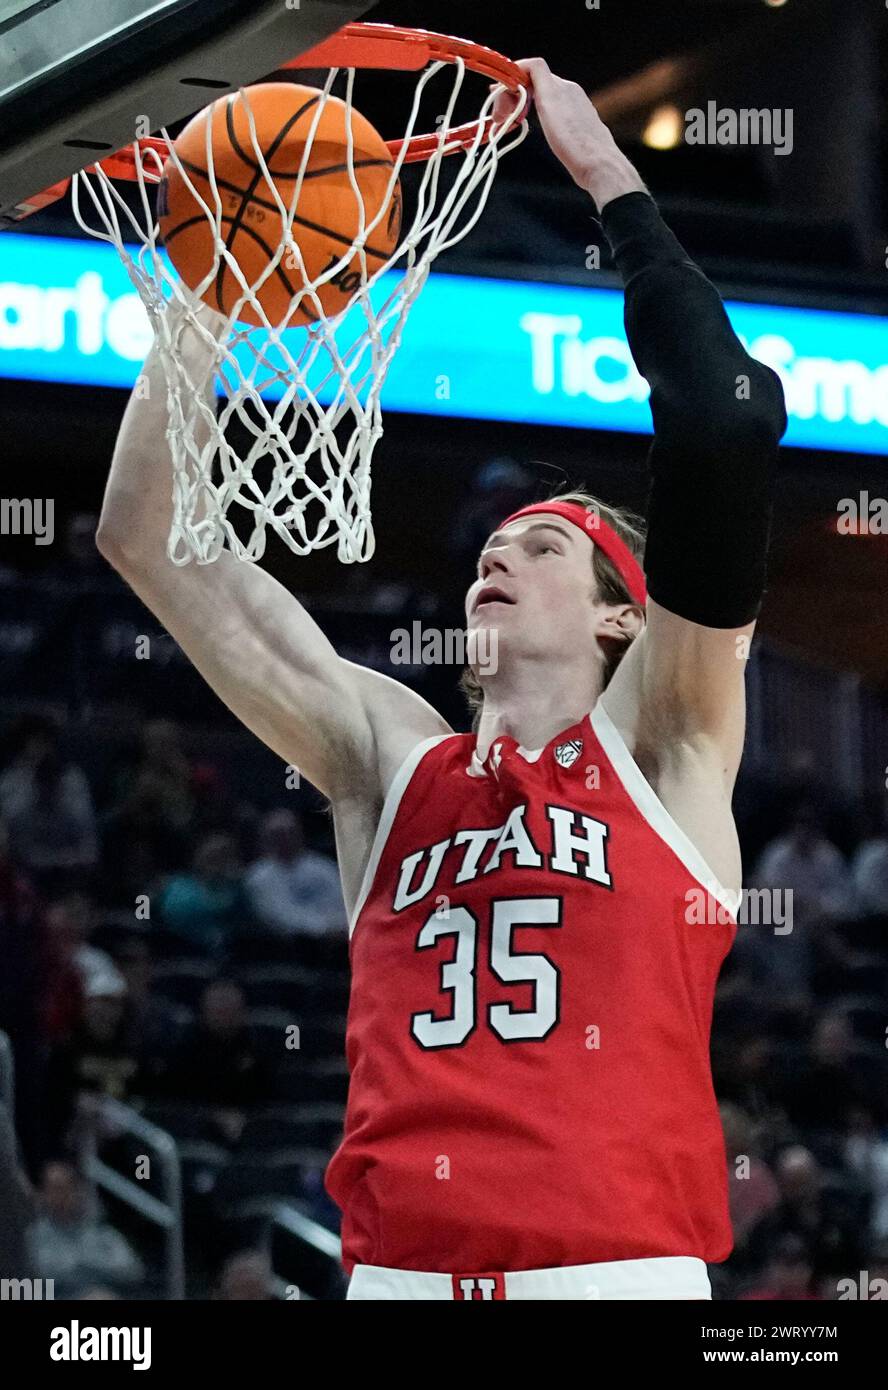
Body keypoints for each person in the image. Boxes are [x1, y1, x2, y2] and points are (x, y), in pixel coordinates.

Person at [96, 60, 787, 1300]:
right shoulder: (389, 758)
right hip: (397, 1280)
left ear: (624, 614)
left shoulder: (667, 740)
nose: (495, 557)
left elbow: (727, 418)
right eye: (490, 547)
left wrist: (608, 179)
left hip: (614, 1280)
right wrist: (209, 279)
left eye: (545, 545)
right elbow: (147, 538)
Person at [29, 1160, 144, 1298]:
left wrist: (82, 1266)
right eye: (56, 1189)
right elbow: (48, 1273)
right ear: (43, 1194)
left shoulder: (101, 1232)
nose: (62, 1196)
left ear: (77, 1191)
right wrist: (97, 1267)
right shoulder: (37, 1235)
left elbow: (132, 1269)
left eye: (67, 1188)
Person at [245, 809, 346, 939]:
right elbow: (279, 915)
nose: (285, 839)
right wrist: (322, 929)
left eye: (290, 832)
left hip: (338, 936)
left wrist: (338, 926)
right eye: (278, 834)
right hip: (291, 942)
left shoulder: (324, 867)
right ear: (266, 839)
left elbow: (341, 902)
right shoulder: (258, 876)